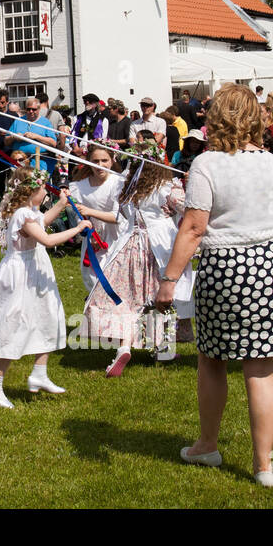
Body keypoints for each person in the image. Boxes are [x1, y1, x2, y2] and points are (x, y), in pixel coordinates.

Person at [159, 83, 273, 487]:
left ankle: (207, 444)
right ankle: (264, 466)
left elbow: (193, 228)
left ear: (216, 118)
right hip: (270, 268)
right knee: (261, 369)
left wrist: (168, 282)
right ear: (256, 119)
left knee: (212, 360)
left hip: (223, 268)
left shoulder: (207, 164)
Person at [0, 168, 88, 408]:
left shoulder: (28, 212)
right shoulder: (23, 214)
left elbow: (41, 223)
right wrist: (77, 229)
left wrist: (61, 206)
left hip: (32, 270)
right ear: (30, 191)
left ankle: (40, 372)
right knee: (14, 325)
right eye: (43, 188)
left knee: (46, 316)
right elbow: (46, 239)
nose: (46, 192)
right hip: (21, 275)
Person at [81, 139, 190, 377]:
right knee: (159, 297)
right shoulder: (167, 188)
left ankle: (124, 346)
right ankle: (163, 349)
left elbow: (122, 215)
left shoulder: (128, 188)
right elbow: (188, 209)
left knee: (126, 297)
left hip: (129, 245)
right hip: (159, 247)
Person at [71, 141, 124, 293]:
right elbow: (78, 214)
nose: (100, 164)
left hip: (116, 236)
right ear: (88, 161)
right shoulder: (79, 186)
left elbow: (117, 216)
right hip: (92, 239)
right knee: (94, 282)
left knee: (116, 281)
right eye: (95, 161)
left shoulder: (119, 182)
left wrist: (89, 211)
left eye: (104, 160)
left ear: (112, 160)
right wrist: (88, 231)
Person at [8, 98, 58, 175]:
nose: (31, 111)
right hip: (20, 163)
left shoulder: (45, 123)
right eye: (28, 109)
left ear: (39, 109)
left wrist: (36, 136)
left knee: (36, 186)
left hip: (39, 163)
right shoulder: (18, 121)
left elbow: (53, 143)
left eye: (34, 109)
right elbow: (6, 141)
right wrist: (14, 137)